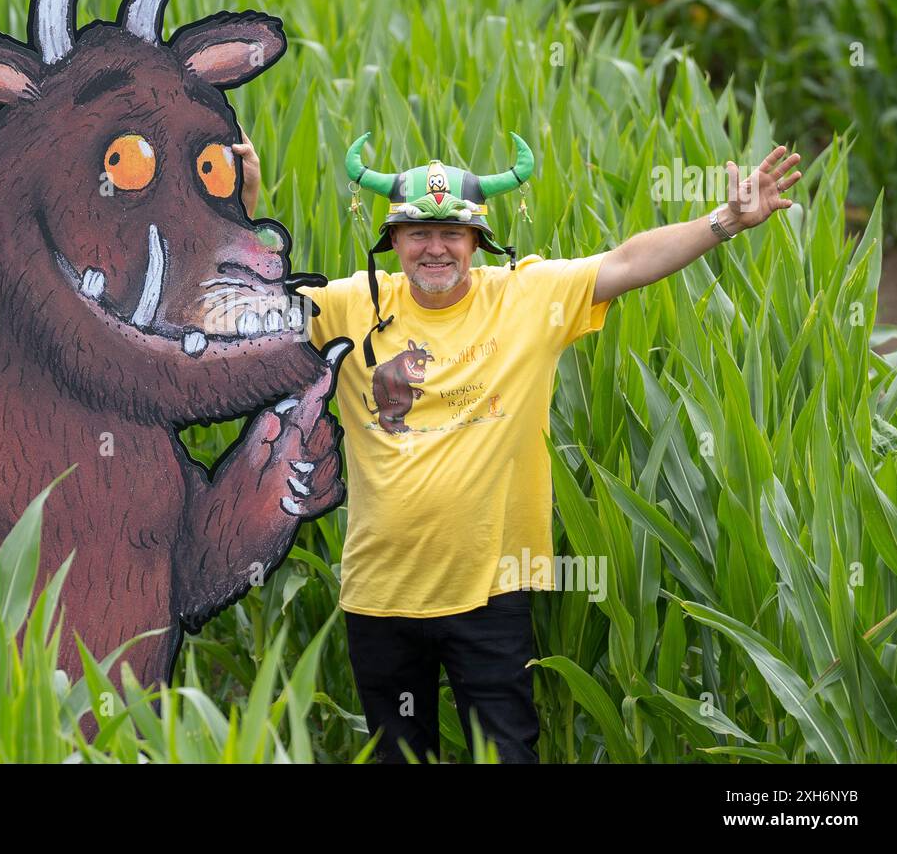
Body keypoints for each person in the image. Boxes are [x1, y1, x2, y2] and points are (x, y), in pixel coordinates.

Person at [232, 128, 802, 763]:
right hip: (381, 593)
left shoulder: (528, 298)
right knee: (396, 756)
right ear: (392, 241)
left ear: (477, 240)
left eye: (452, 232)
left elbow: (627, 262)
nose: (435, 247)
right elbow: (251, 305)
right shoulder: (348, 305)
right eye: (418, 233)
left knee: (506, 754)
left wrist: (725, 219)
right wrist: (243, 207)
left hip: (492, 592)